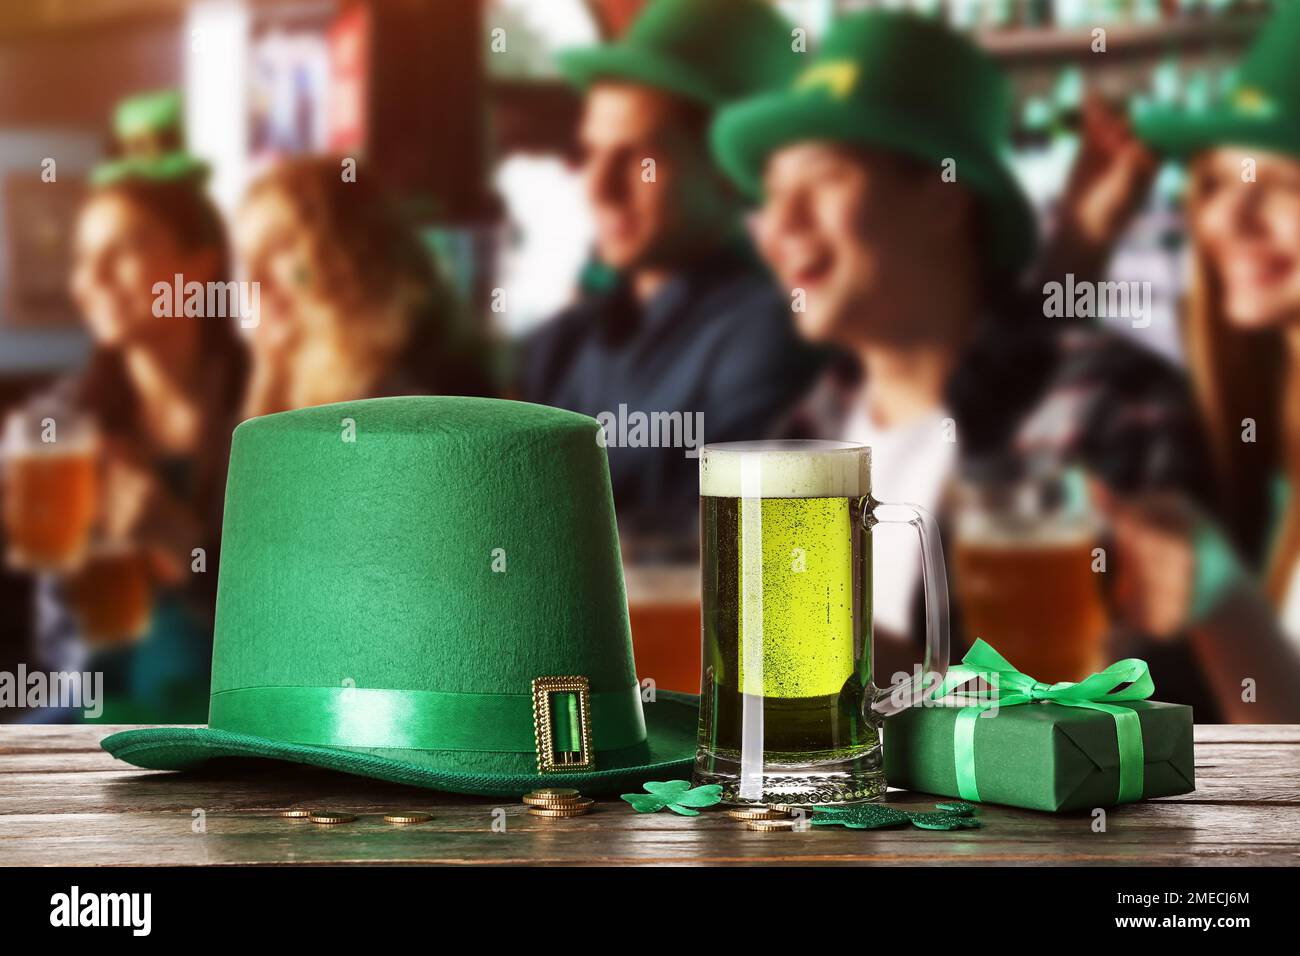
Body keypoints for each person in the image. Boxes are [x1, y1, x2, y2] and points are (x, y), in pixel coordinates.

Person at [710, 11, 1213, 693]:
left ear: (944, 199)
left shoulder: (1109, 407)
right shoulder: (804, 432)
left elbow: (1151, 715)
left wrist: (872, 673)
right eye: (770, 194)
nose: (780, 225)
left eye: (822, 179)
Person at [517, 0, 830, 549]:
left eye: (638, 157)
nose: (598, 187)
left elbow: (724, 560)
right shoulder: (564, 342)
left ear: (732, 170)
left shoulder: (773, 335)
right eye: (592, 153)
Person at [1082, 1, 1300, 722]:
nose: (1228, 224)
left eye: (1282, 185)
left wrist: (1222, 604)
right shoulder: (1253, 428)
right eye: (1215, 186)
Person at [29, 156, 248, 722]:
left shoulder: (270, 409)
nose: (93, 278)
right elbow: (59, 649)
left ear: (199, 267)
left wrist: (178, 540)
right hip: (94, 711)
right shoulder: (64, 421)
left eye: (123, 249)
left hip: (236, 717)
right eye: (82, 258)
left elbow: (303, 626)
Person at [237, 157, 493, 419]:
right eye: (249, 257)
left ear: (347, 249)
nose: (257, 277)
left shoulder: (421, 387)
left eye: (280, 246)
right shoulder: (290, 373)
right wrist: (268, 369)